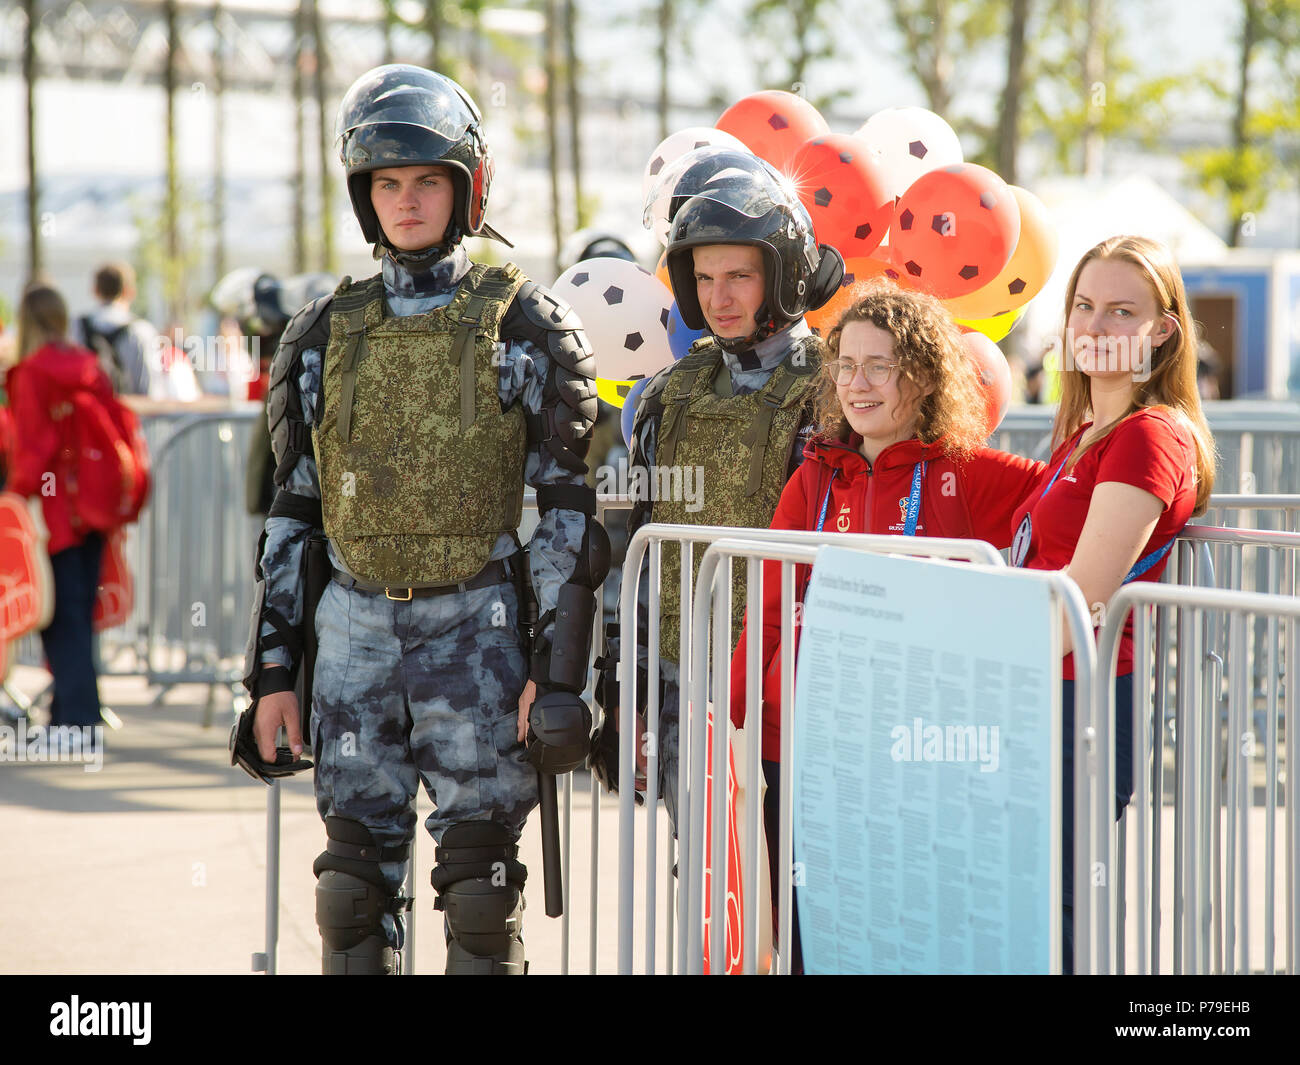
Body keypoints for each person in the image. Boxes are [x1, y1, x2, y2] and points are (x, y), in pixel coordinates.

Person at [231, 64, 604, 976]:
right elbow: (293, 514)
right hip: (352, 636)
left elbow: (565, 516)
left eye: (426, 180)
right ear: (365, 195)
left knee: (480, 897)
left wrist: (556, 674)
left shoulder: (525, 325)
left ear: (467, 188)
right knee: (350, 894)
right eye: (386, 183)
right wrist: (272, 670)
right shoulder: (321, 332)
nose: (405, 201)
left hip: (477, 637)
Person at [727, 282, 1047, 969]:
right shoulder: (814, 477)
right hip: (805, 745)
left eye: (881, 365)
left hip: (914, 750)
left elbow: (1072, 506)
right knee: (811, 936)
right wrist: (737, 710)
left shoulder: (969, 473)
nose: (857, 382)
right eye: (845, 364)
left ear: (925, 376)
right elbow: (772, 604)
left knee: (905, 936)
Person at [589, 148, 845, 827]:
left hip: (792, 692)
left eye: (739, 275)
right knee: (709, 905)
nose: (719, 297)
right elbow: (636, 555)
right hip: (686, 686)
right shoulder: (666, 397)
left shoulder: (837, 391)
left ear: (783, 275)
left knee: (789, 902)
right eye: (703, 277)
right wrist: (625, 686)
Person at [1007, 235, 1215, 972]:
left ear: (1163, 330)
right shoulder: (1084, 433)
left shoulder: (1149, 434)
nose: (1095, 328)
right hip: (1037, 691)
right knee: (1011, 913)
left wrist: (974, 661)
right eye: (1085, 306)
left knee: (1046, 918)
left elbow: (1081, 595)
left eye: (1121, 311)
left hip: (1081, 703)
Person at [4, 282, 113, 729]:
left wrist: (14, 493)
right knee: (79, 614)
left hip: (53, 511)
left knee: (59, 618)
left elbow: (35, 447)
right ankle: (72, 713)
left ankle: (76, 722)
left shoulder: (32, 372)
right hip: (92, 506)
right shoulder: (89, 365)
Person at [75, 261, 157, 396]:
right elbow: (147, 387)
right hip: (128, 410)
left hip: (90, 412)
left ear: (95, 290)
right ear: (129, 291)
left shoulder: (77, 326)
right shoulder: (142, 331)